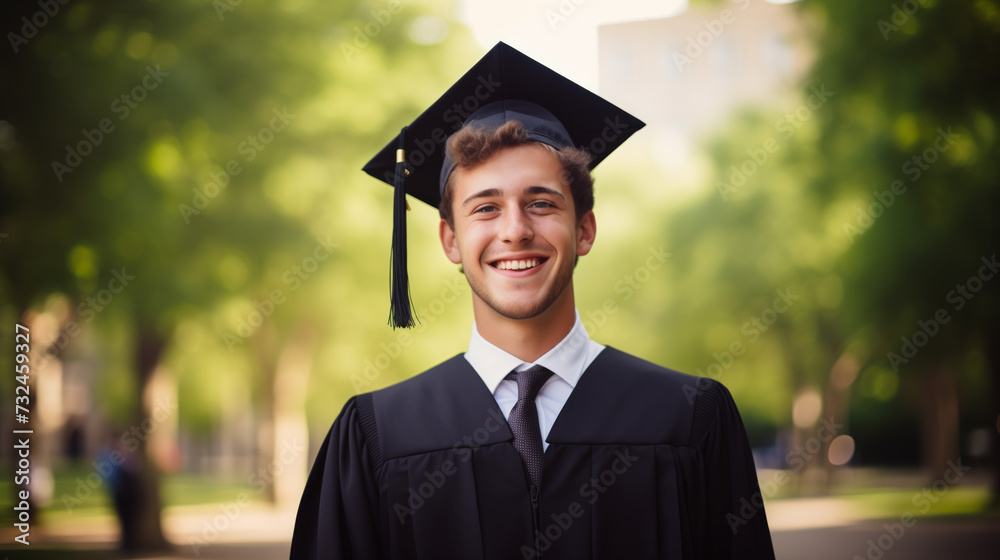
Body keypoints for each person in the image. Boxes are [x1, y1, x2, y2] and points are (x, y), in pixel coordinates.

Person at [290, 42, 775, 560]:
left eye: (541, 203)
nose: (515, 230)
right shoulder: (376, 437)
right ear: (450, 241)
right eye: (485, 209)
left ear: (584, 230)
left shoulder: (689, 419)